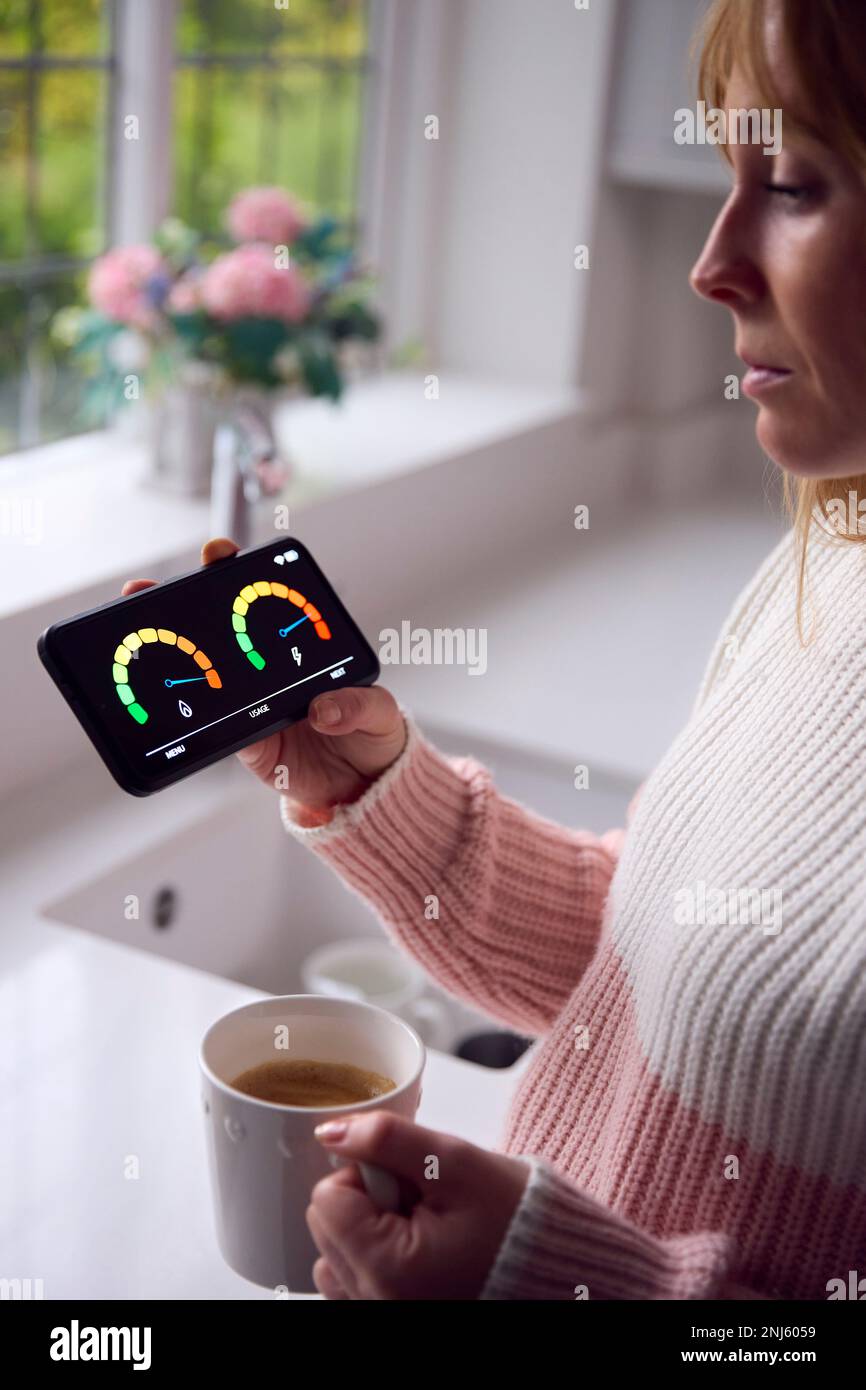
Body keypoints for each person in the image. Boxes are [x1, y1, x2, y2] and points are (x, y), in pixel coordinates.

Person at [124, 0, 866, 1299]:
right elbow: (668, 982)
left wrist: (554, 1289)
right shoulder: (830, 561)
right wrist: (377, 794)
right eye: (724, 175)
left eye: (791, 182)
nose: (709, 261)